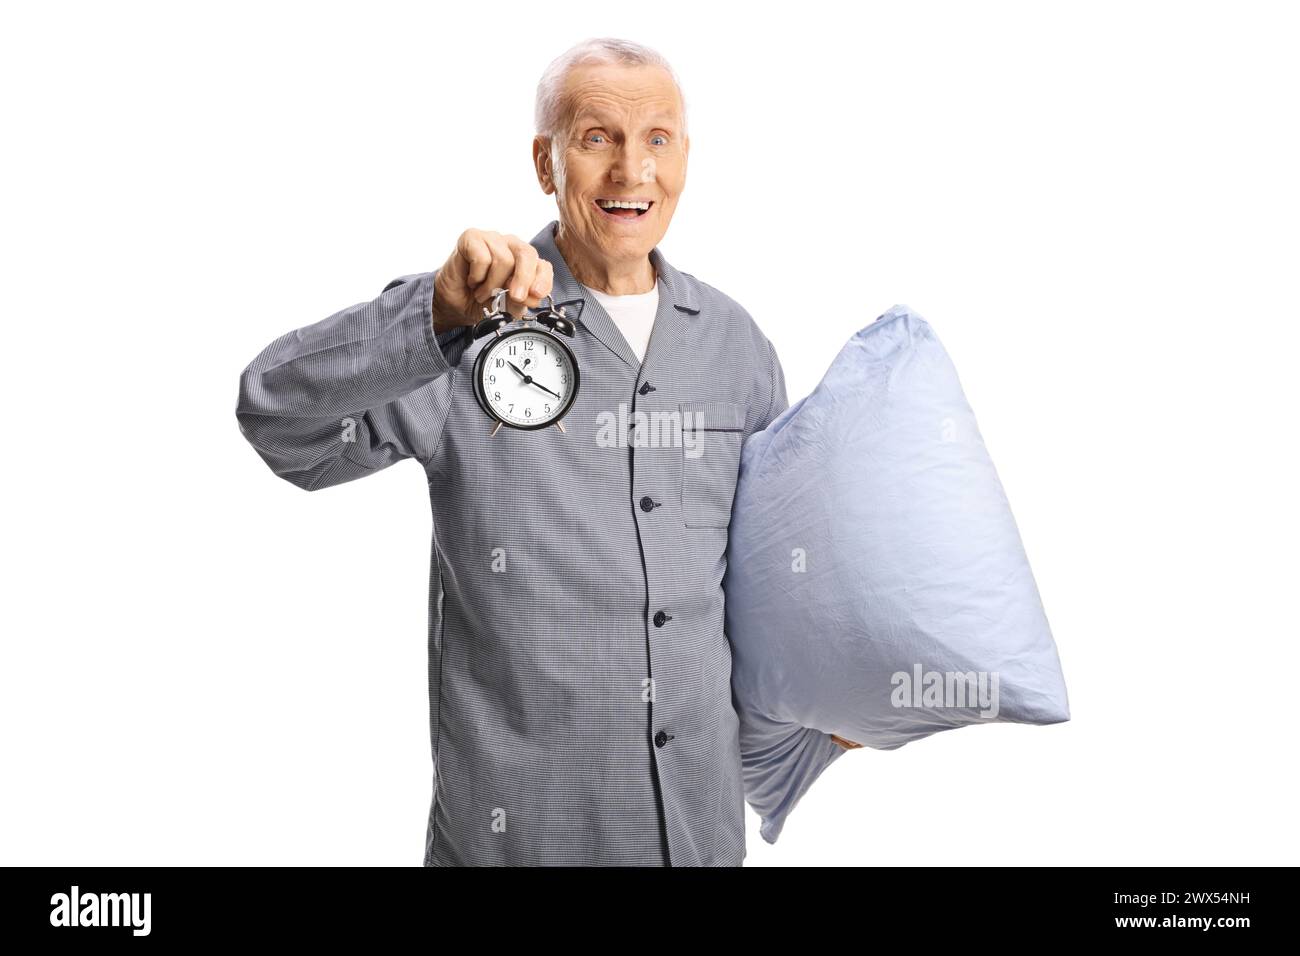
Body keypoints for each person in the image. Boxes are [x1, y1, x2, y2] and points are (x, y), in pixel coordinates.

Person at [236, 36, 856, 867]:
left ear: (685, 156)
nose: (633, 170)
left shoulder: (736, 346)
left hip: (700, 842)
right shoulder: (469, 327)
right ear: (545, 162)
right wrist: (432, 315)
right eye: (598, 138)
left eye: (658, 138)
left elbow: (762, 591)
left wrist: (830, 714)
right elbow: (278, 420)